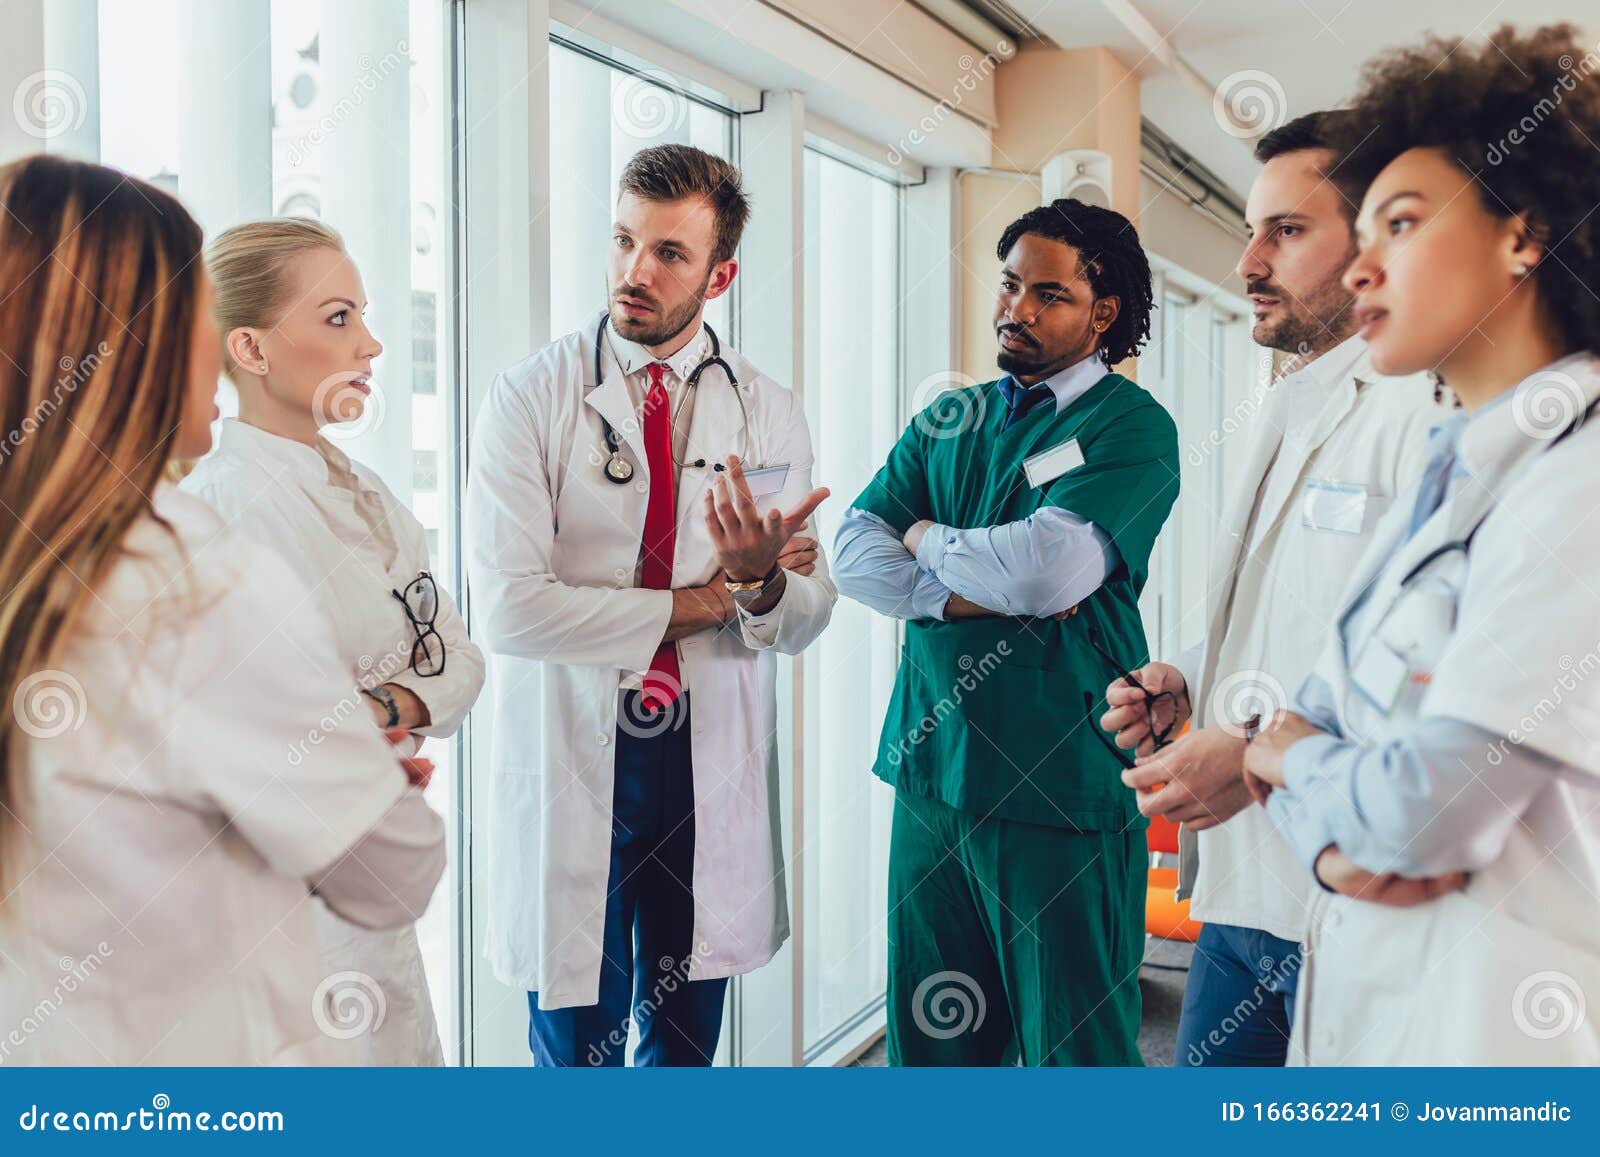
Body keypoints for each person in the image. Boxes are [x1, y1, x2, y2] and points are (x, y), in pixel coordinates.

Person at [0, 155, 445, 1065]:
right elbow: (391, 870)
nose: (215, 338)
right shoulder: (192, 577)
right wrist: (347, 775)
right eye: (195, 313)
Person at [1242, 23, 1600, 1065]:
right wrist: (1326, 815)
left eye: (1399, 223)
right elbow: (1326, 724)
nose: (1358, 267)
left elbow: (1413, 815)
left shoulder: (1576, 484)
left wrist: (1286, 761)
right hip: (1379, 1018)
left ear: (1522, 234)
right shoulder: (1453, 466)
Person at [466, 144, 835, 1066]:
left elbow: (802, 616)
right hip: (579, 748)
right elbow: (511, 611)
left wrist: (759, 587)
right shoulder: (531, 397)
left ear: (722, 274)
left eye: (670, 252)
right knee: (576, 1044)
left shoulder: (767, 409)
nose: (635, 270)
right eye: (624, 239)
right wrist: (711, 598)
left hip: (700, 755)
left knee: (683, 1045)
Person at [1097, 113, 1439, 1066]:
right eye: (1254, 229)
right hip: (1245, 898)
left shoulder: (1423, 412)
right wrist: (1189, 681)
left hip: (1348, 898)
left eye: (1286, 231)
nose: (1249, 259)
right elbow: (1286, 610)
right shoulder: (1287, 397)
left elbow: (1429, 679)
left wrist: (1246, 754)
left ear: (1378, 242)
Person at [834, 198, 1177, 1066]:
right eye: (1010, 285)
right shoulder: (953, 416)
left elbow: (1045, 573)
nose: (1015, 310)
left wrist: (922, 536)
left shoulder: (1132, 427)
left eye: (1048, 295)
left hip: (1060, 782)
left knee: (1076, 1049)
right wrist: (961, 593)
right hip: (934, 773)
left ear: (1102, 314)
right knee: (934, 1042)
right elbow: (850, 554)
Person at [180, 218, 484, 1065]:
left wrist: (384, 704)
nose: (373, 343)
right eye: (339, 318)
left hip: (370, 882)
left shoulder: (368, 491)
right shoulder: (222, 510)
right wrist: (367, 718)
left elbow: (463, 661)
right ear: (251, 347)